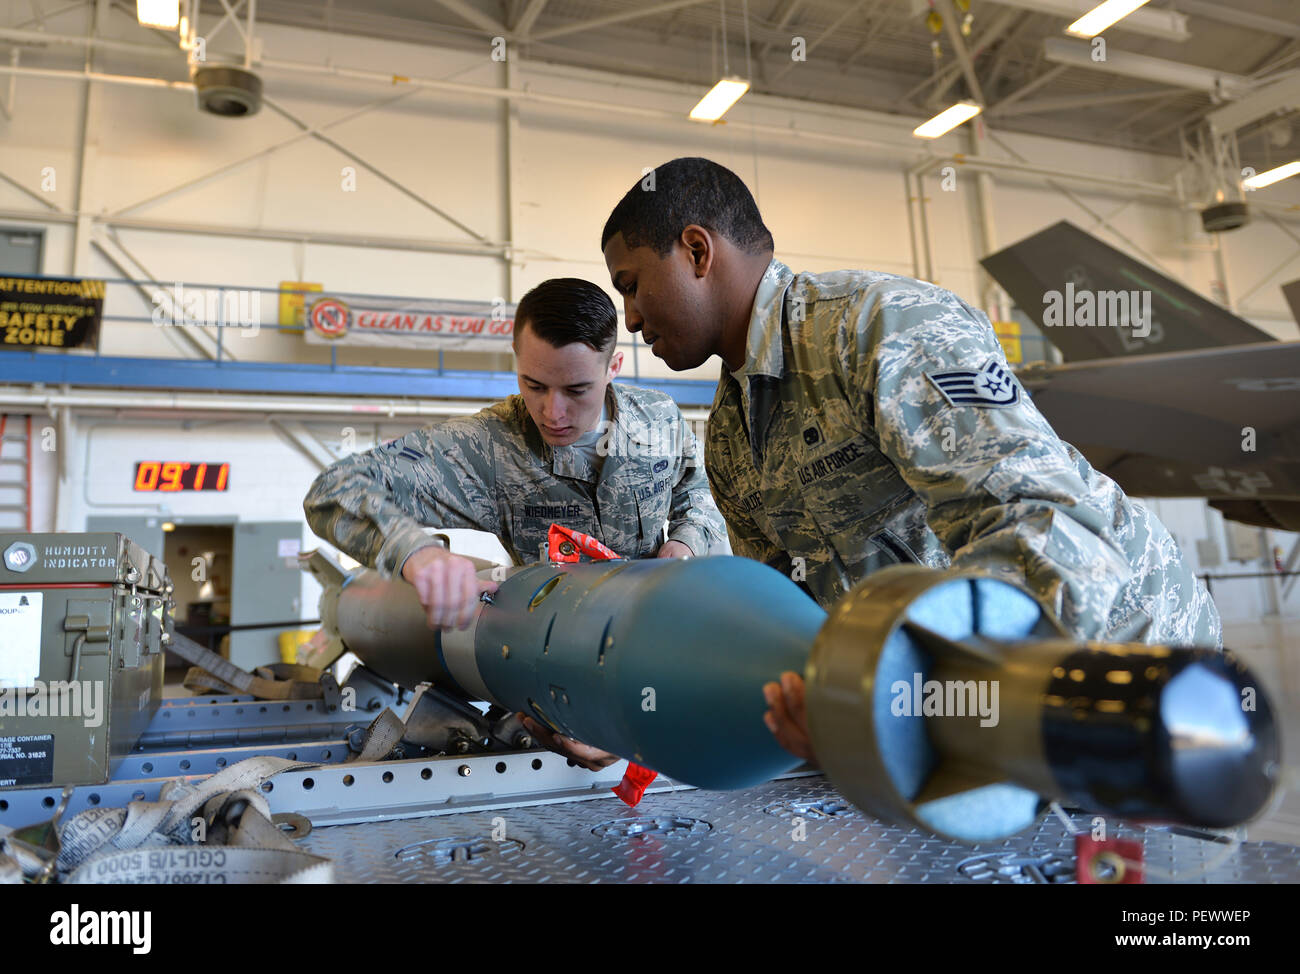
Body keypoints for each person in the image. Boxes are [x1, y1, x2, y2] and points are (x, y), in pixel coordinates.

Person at [600, 157, 1221, 761]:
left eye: (631, 285)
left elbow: (1047, 525)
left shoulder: (882, 328)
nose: (629, 316)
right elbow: (783, 617)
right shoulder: (731, 438)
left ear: (697, 251)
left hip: (1125, 671)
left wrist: (915, 700)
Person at [304, 276, 727, 767]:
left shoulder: (659, 420)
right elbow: (332, 491)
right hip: (565, 678)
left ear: (614, 365)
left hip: (668, 657)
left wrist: (686, 544)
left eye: (577, 389)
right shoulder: (490, 447)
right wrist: (414, 552)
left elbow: (695, 494)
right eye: (534, 385)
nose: (553, 412)